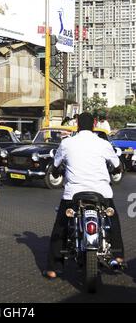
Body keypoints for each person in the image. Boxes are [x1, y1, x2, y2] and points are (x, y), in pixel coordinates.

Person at [43, 112, 124, 279]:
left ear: (77, 124)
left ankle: (53, 268)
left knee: (61, 228)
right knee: (113, 222)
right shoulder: (103, 144)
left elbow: (56, 165)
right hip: (102, 193)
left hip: (73, 194)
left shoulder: (67, 143)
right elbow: (117, 166)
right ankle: (118, 256)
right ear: (94, 124)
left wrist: (58, 172)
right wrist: (115, 169)